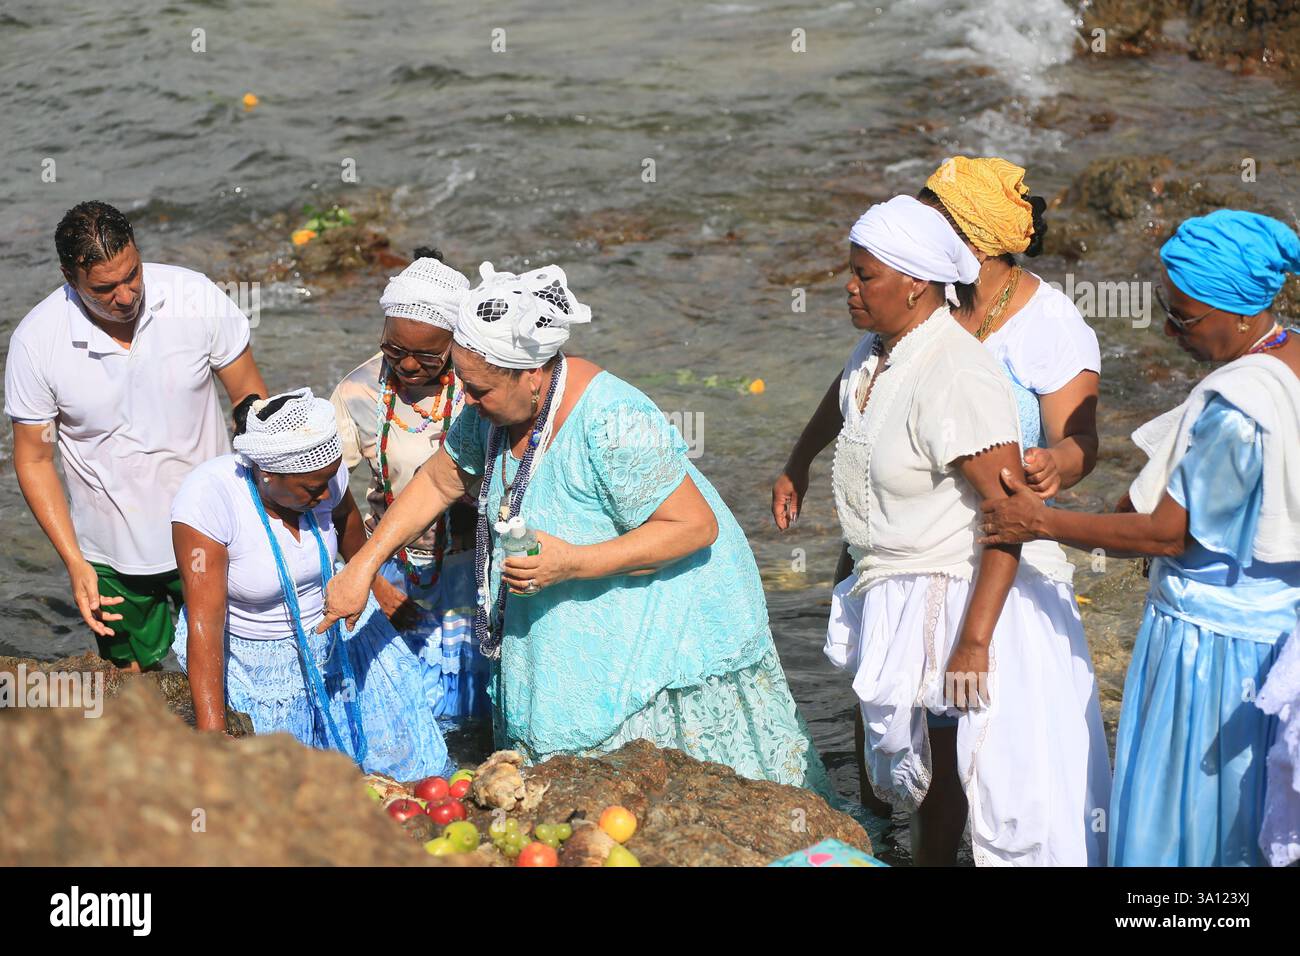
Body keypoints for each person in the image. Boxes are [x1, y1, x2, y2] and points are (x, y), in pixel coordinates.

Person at [319, 261, 835, 799]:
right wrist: (362, 566)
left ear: (532, 373)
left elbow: (694, 526)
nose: (465, 403)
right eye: (464, 385)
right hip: (562, 607)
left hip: (661, 623)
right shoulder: (492, 409)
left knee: (664, 798)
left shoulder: (613, 419)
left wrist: (571, 563)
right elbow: (441, 479)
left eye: (478, 391)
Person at [774, 158, 1109, 828]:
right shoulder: (901, 322)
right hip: (892, 522)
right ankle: (876, 826)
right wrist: (800, 461)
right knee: (874, 686)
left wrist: (1055, 464)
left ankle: (927, 837)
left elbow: (1084, 442)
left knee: (953, 728)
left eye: (931, 219)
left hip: (969, 544)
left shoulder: (1047, 325)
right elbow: (859, 388)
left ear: (971, 242)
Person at [980, 209, 1300, 866]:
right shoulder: (1287, 357)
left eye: (1182, 317)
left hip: (1211, 654)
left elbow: (1162, 533)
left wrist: (1039, 522)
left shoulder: (1238, 406)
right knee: (1259, 814)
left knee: (1188, 827)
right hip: (1280, 638)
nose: (1167, 329)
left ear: (1239, 312)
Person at [5, 201, 266, 671]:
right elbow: (34, 459)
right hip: (109, 551)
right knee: (133, 684)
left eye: (133, 275)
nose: (126, 296)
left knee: (233, 670)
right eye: (104, 288)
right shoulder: (37, 343)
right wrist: (74, 562)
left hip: (212, 530)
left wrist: (267, 507)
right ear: (69, 276)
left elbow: (249, 398)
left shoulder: (193, 296)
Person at [171, 388, 453, 780]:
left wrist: (376, 587)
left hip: (339, 635)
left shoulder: (321, 472)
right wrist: (213, 732)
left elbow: (349, 525)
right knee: (284, 789)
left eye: (329, 481)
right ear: (266, 472)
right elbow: (205, 621)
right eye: (310, 490)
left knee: (402, 766)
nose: (325, 494)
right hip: (259, 662)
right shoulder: (209, 499)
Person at [330, 248, 488, 729]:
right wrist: (370, 578)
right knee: (399, 700)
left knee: (477, 697)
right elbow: (326, 494)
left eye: (427, 355)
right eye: (395, 350)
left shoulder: (479, 388)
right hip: (396, 566)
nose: (408, 366)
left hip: (474, 568)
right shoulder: (358, 392)